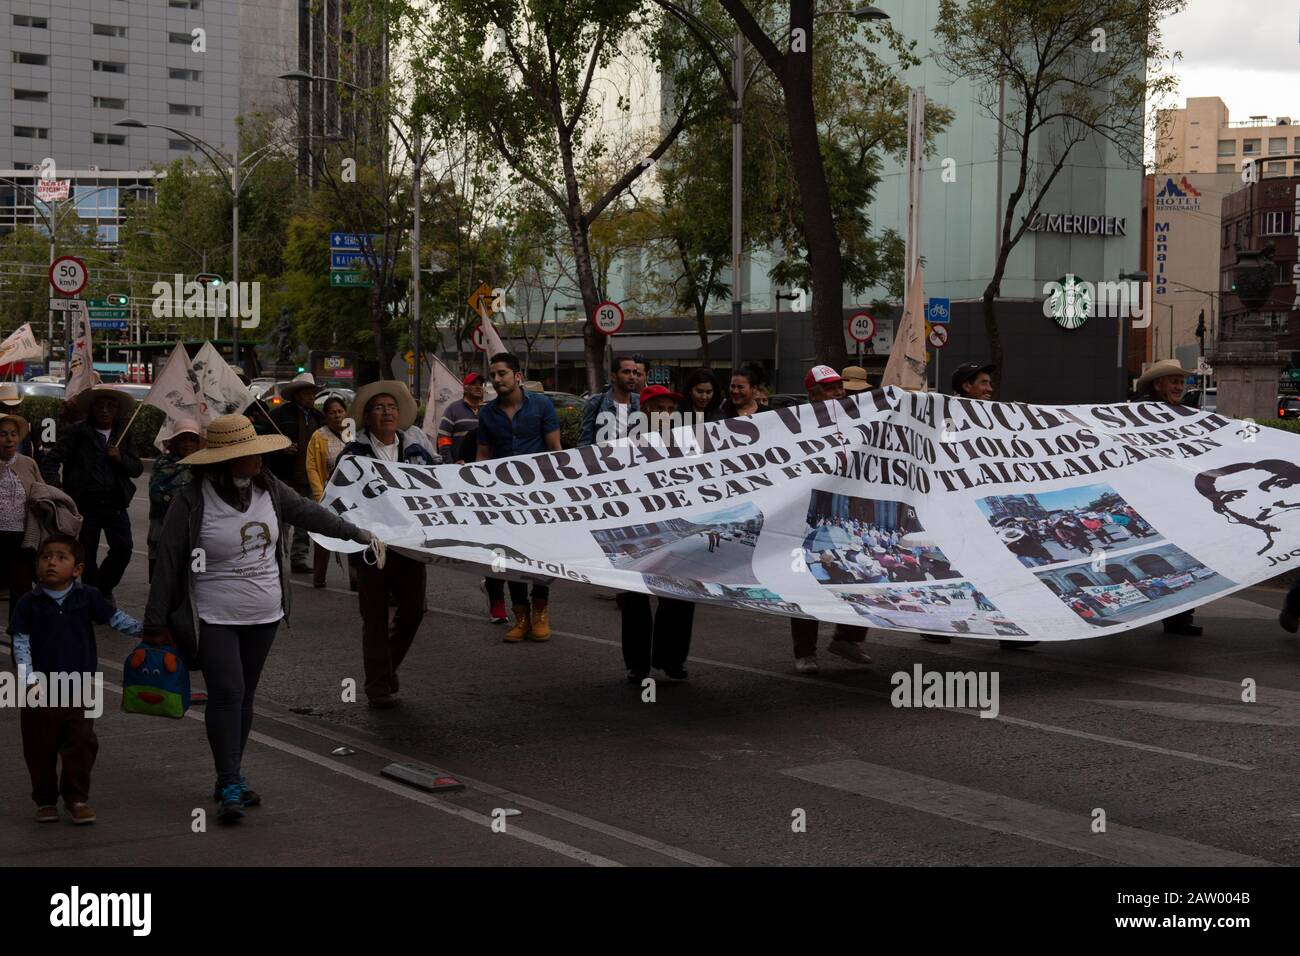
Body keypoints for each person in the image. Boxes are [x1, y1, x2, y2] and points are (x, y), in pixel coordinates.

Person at [144, 414, 371, 821]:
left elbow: (309, 514)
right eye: (249, 456)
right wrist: (155, 623)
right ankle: (229, 779)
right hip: (214, 615)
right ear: (227, 461)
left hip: (265, 612)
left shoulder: (270, 488)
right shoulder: (192, 500)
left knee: (245, 695)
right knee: (228, 694)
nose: (259, 460)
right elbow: (168, 562)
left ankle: (230, 773)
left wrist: (356, 534)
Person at [12, 534, 143, 824]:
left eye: (61, 558)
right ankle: (45, 800)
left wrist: (147, 630)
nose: (51, 563)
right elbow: (21, 642)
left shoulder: (88, 598)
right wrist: (26, 678)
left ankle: (76, 798)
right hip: (40, 691)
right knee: (39, 746)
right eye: (45, 557)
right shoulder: (28, 602)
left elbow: (116, 619)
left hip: (80, 689)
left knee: (81, 743)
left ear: (78, 569)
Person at [339, 381, 437, 708]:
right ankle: (378, 685)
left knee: (413, 610)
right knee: (375, 616)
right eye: (379, 408)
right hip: (372, 547)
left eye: (391, 407)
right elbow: (341, 495)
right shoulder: (354, 454)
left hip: (410, 543)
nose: (387, 413)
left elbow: (438, 481)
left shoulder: (416, 448)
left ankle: (385, 668)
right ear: (367, 417)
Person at [788, 366, 872, 673]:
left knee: (856, 571)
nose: (838, 393)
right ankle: (805, 652)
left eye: (839, 387)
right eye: (829, 388)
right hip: (806, 515)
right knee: (807, 581)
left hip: (843, 511)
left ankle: (848, 637)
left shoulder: (855, 421)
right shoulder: (795, 425)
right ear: (812, 395)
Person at [611, 384, 697, 682]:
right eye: (663, 409)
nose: (669, 415)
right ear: (647, 410)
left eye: (672, 410)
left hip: (676, 527)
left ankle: (671, 660)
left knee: (681, 595)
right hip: (635, 531)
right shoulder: (625, 443)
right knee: (635, 600)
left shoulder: (684, 443)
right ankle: (637, 664)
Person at [477, 352, 562, 642]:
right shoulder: (487, 413)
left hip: (538, 496)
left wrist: (560, 490)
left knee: (538, 556)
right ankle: (520, 617)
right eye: (493, 375)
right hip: (502, 498)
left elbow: (555, 449)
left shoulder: (542, 405)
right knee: (509, 556)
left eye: (502, 373)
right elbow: (483, 456)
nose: (497, 379)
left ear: (517, 376)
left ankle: (540, 613)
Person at [40, 387, 142, 604]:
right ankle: (92, 596)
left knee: (123, 549)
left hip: (115, 503)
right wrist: (59, 492)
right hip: (85, 504)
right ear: (92, 408)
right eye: (100, 405)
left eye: (111, 406)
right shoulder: (78, 432)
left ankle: (102, 589)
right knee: (86, 554)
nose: (105, 410)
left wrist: (120, 458)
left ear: (117, 410)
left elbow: (137, 469)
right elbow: (51, 461)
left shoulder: (124, 433)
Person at [1132, 359, 1201, 637]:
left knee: (1185, 553)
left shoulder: (1187, 413)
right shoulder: (1135, 411)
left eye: (1181, 381)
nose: (1178, 386)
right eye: (1173, 381)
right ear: (1157, 384)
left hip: (1176, 498)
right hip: (1145, 496)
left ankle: (1180, 616)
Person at [269, 373, 324, 573]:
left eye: (312, 393)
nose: (311, 397)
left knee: (305, 521)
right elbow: (266, 440)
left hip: (309, 477)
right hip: (285, 475)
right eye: (307, 393)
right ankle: (279, 557)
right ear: (297, 395)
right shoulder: (279, 415)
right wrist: (281, 447)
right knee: (282, 520)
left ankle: (299, 558)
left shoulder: (319, 417)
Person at [305, 395, 354, 589]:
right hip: (327, 493)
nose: (337, 415)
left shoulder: (351, 431)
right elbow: (312, 468)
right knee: (324, 536)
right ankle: (319, 577)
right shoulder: (319, 436)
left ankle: (356, 579)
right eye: (332, 412)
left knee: (354, 535)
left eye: (340, 411)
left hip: (351, 494)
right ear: (326, 416)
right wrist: (320, 496)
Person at [147, 418, 203, 581]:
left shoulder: (205, 467)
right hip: (164, 531)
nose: (188, 444)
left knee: (197, 581)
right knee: (164, 581)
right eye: (183, 439)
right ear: (174, 442)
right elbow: (156, 495)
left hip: (197, 534)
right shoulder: (163, 464)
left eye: (192, 440)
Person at [0, 411, 41, 620]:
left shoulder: (28, 463)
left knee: (21, 589)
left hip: (21, 537)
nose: (9, 439)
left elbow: (41, 495)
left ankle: (19, 637)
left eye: (13, 434)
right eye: (3, 434)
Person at [579, 355, 640, 446]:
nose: (632, 377)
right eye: (626, 372)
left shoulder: (641, 402)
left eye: (634, 372)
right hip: (605, 458)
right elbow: (584, 443)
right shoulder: (596, 402)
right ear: (613, 377)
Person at [436, 372, 486, 464]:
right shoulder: (453, 409)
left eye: (480, 384)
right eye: (473, 384)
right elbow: (443, 439)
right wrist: (450, 464)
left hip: (485, 469)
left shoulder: (489, 410)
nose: (478, 387)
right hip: (459, 468)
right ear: (465, 388)